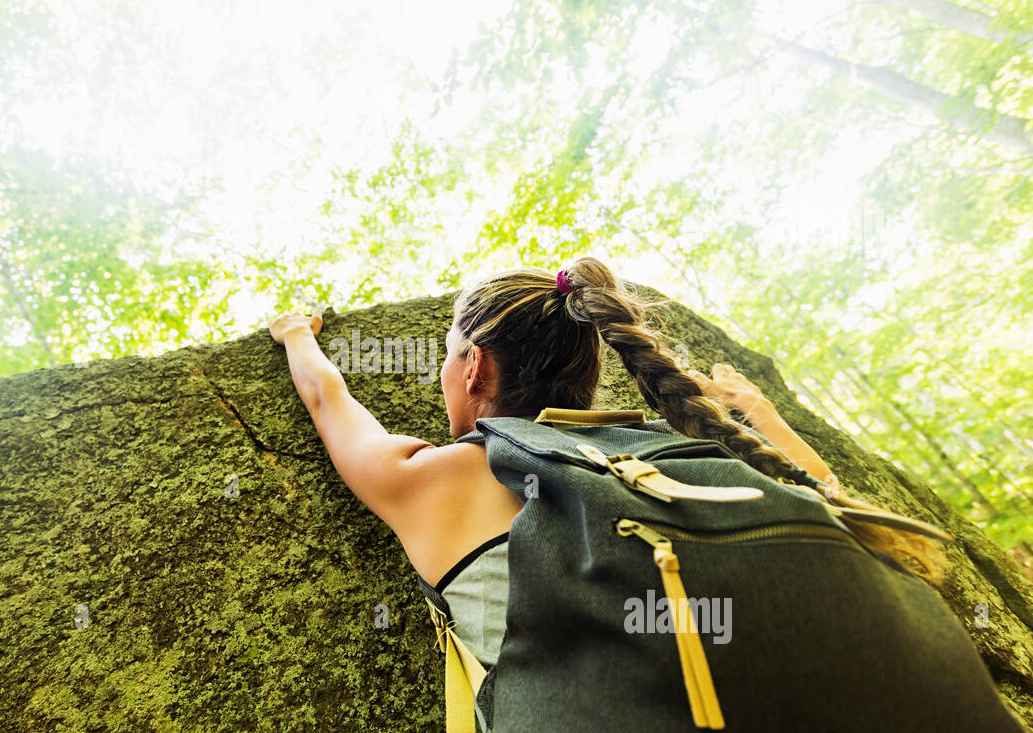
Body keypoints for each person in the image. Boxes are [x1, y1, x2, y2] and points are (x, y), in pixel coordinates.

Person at [268, 256, 949, 680]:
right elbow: (830, 502)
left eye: (450, 355)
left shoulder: (438, 478)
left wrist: (296, 332)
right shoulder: (677, 449)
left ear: (473, 366)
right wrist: (761, 416)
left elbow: (330, 399)